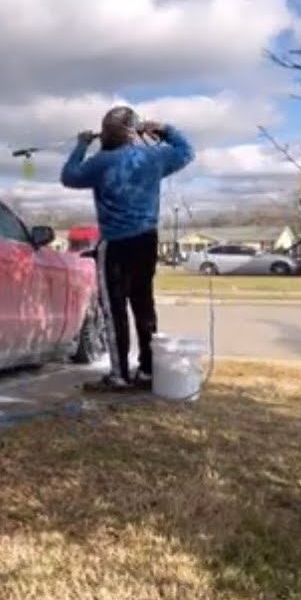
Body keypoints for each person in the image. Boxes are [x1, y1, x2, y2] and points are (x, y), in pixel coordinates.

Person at [60, 105, 196, 392]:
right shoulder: (154, 158)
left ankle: (119, 374)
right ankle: (147, 371)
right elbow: (186, 151)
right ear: (133, 131)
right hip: (147, 241)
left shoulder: (100, 163)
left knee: (114, 309)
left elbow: (69, 176)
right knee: (144, 305)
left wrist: (81, 145)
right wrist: (162, 129)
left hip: (116, 244)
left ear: (106, 132)